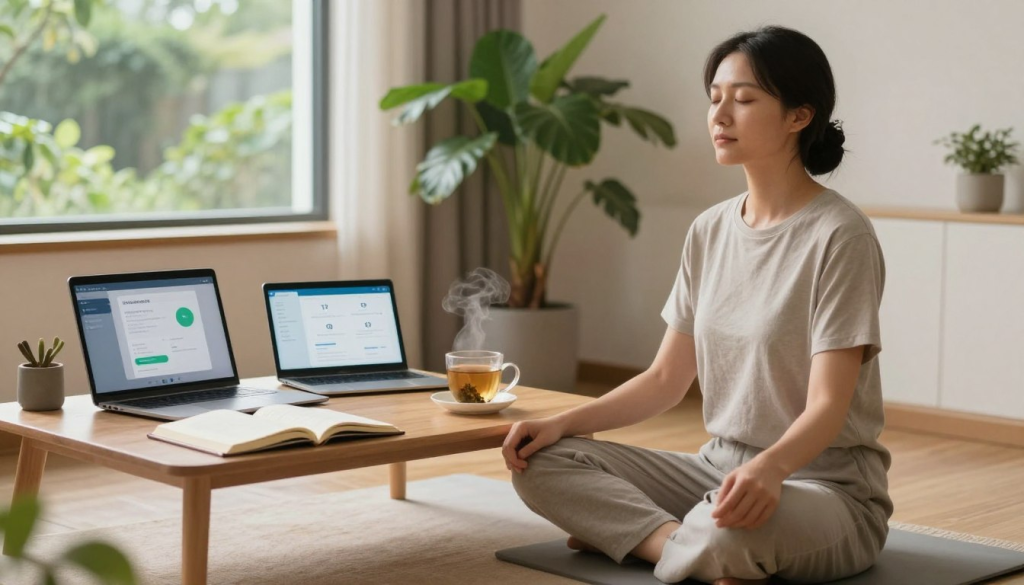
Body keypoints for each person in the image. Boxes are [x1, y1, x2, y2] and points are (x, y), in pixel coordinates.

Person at [502, 25, 893, 585]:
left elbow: (828, 405)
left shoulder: (840, 235)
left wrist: (770, 468)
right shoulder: (709, 230)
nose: (720, 115)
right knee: (541, 463)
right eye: (714, 99)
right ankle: (673, 542)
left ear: (798, 116)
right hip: (715, 470)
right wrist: (562, 423)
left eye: (745, 99)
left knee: (726, 529)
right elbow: (665, 379)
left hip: (823, 487)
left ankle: (646, 536)